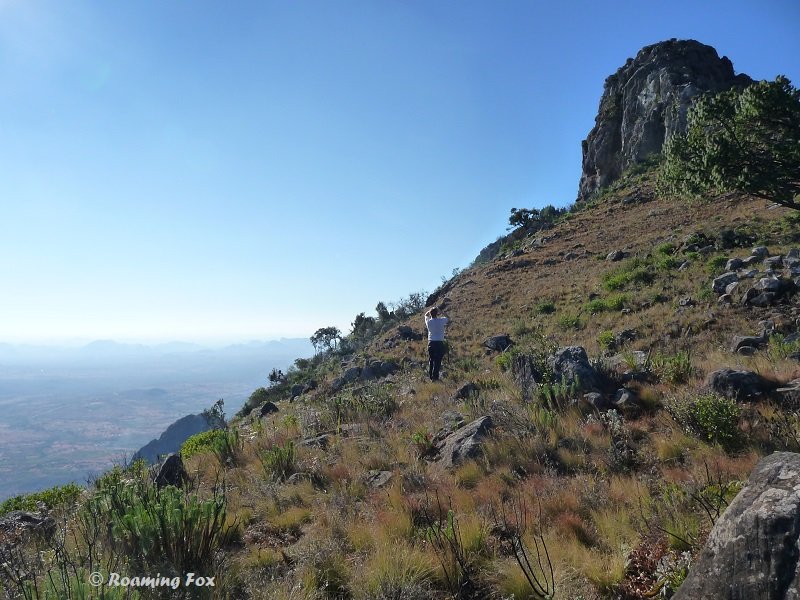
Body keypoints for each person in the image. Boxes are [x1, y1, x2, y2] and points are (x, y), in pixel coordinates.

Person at [424, 306, 449, 381]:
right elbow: (448, 317)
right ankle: (435, 377)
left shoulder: (428, 322)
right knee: (438, 361)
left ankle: (431, 376)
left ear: (431, 314)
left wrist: (429, 311)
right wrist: (440, 311)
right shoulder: (441, 321)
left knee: (431, 360)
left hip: (431, 343)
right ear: (437, 314)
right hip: (439, 343)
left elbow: (425, 315)